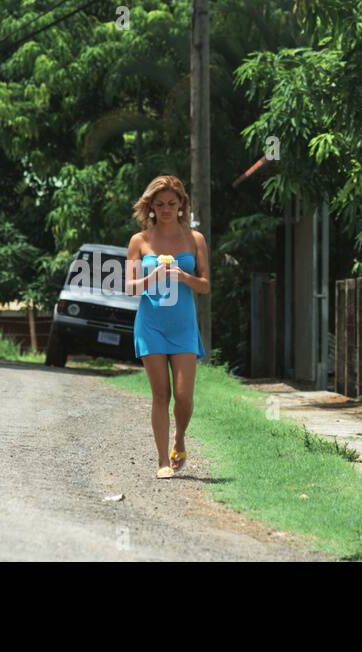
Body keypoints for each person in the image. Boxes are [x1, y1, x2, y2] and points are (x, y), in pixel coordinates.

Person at [126, 176, 210, 479]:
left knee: (184, 396)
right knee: (161, 394)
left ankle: (179, 438)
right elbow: (130, 287)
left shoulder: (194, 239)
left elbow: (204, 285)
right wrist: (153, 277)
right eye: (159, 204)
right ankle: (163, 460)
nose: (165, 209)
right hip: (151, 325)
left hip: (184, 327)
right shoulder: (140, 241)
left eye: (171, 204)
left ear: (181, 205)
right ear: (150, 206)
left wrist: (182, 276)